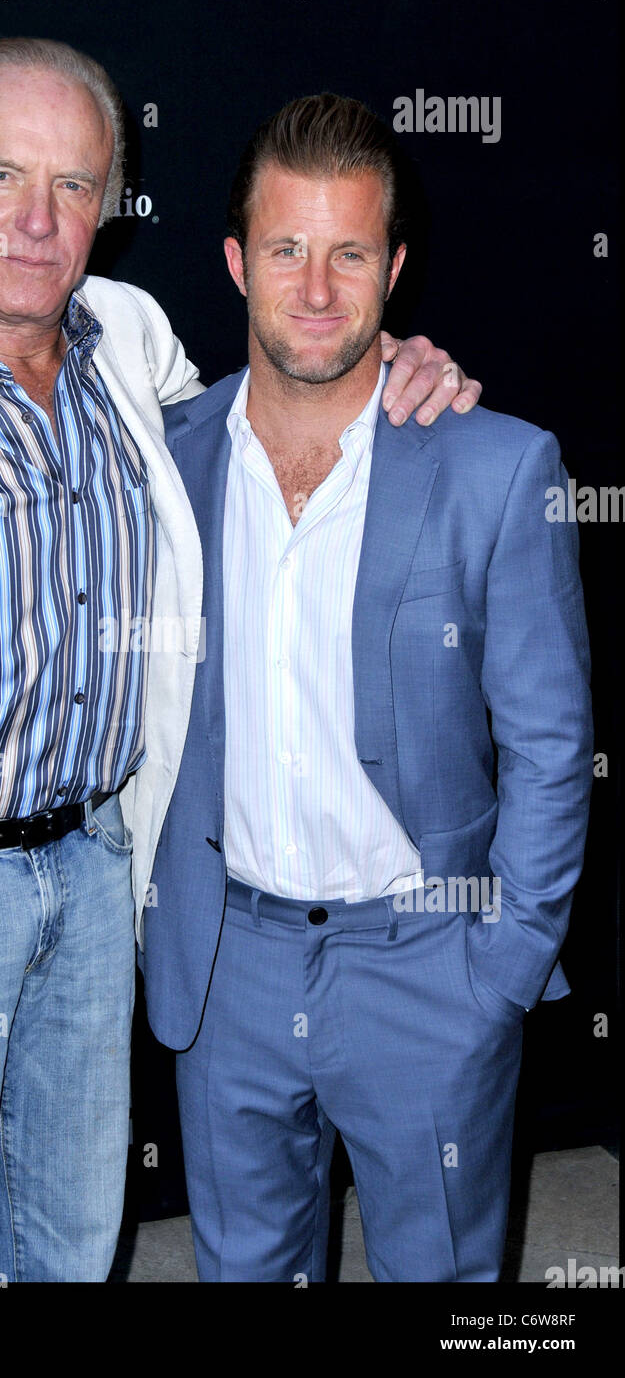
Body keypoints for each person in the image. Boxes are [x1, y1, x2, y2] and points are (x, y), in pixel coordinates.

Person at [0, 41, 477, 1284]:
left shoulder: (132, 340)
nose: (38, 220)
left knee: (66, 1257)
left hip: (103, 883)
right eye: (4, 175)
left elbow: (270, 430)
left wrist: (396, 371)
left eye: (74, 184)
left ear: (108, 205)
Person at [143, 92, 592, 1283]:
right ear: (239, 262)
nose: (317, 288)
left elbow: (554, 746)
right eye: (287, 248)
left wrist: (500, 968)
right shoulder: (164, 460)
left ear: (394, 269)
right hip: (228, 967)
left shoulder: (498, 467)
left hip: (428, 966)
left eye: (350, 252)